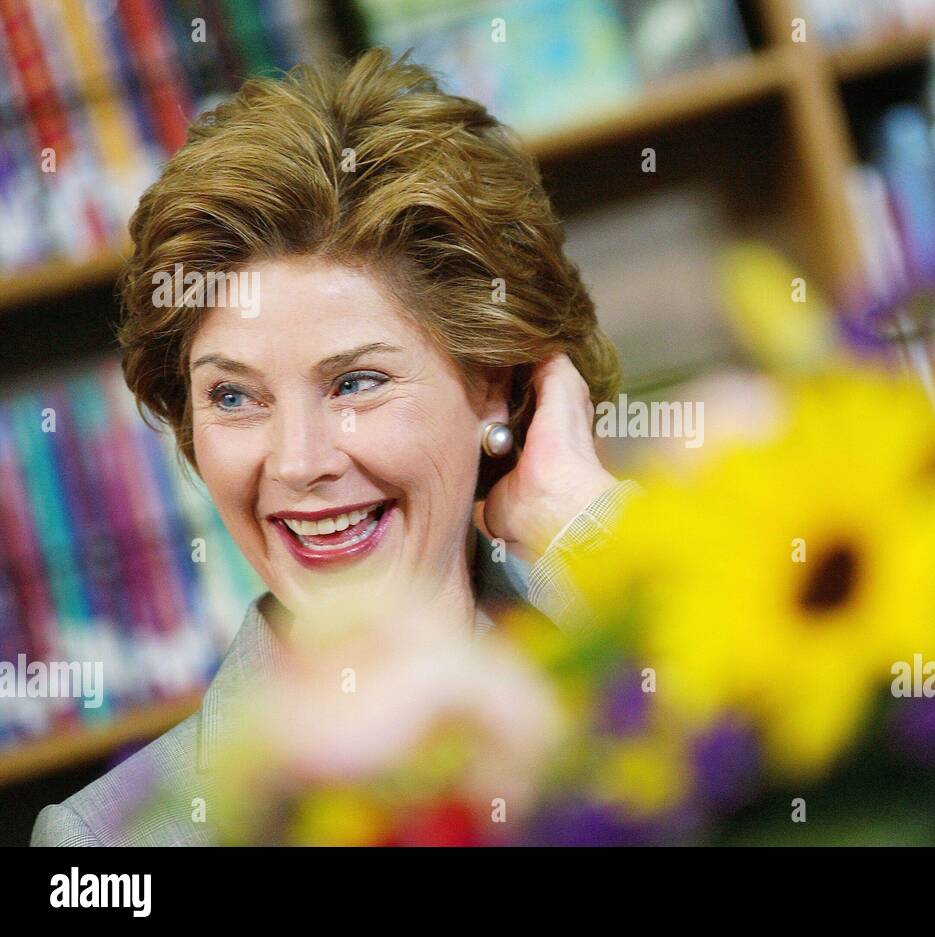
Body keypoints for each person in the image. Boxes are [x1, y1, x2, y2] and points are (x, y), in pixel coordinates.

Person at [31, 49, 635, 846]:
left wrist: (573, 516)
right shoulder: (108, 842)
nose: (297, 462)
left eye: (355, 383)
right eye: (234, 396)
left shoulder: (631, 684)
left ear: (496, 380)